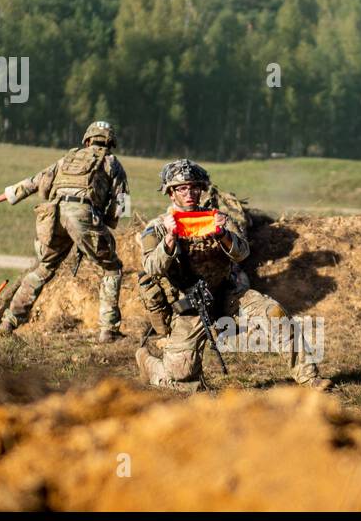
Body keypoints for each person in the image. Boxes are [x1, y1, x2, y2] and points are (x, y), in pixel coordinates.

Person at [135, 158, 330, 390]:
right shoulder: (157, 228)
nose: (190, 194)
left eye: (195, 187)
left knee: (273, 312)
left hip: (227, 294)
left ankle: (309, 377)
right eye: (182, 188)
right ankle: (148, 363)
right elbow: (151, 268)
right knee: (182, 376)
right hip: (189, 305)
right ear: (171, 193)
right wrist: (168, 240)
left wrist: (222, 234)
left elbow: (242, 253)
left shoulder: (214, 218)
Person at [0, 121, 129, 342]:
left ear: (86, 140)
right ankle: (108, 331)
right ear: (110, 143)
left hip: (52, 215)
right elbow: (121, 203)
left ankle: (7, 324)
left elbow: (32, 183)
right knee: (112, 269)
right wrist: (105, 225)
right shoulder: (112, 162)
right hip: (82, 215)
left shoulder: (67, 159)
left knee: (43, 269)